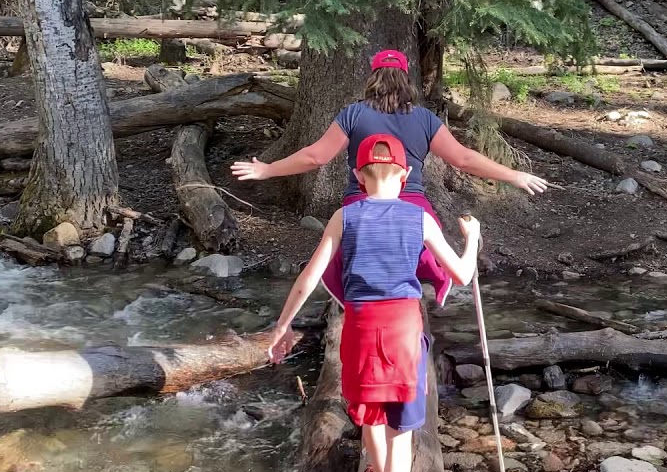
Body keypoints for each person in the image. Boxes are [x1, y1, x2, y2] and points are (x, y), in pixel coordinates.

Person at [266, 133, 481, 472]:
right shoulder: (419, 219)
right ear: (404, 176)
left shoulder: (344, 217)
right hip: (403, 329)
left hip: (359, 327)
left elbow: (310, 276)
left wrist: (282, 327)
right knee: (403, 436)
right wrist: (473, 238)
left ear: (358, 177)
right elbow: (459, 274)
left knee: (368, 418)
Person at [231, 49, 544, 306]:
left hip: (361, 203)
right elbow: (463, 159)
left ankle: (355, 299)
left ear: (373, 77)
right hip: (413, 207)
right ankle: (425, 288)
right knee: (427, 245)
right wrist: (513, 175)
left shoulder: (354, 114)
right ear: (406, 80)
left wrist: (267, 169)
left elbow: (316, 157)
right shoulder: (423, 118)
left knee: (344, 247)